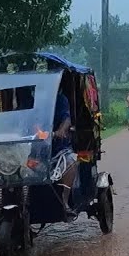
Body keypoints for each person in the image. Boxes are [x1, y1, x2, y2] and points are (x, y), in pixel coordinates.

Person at [50, 88, 77, 216]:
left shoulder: (60, 99)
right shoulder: (29, 100)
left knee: (70, 163)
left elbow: (67, 118)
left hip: (59, 148)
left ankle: (65, 201)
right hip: (34, 149)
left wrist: (61, 131)